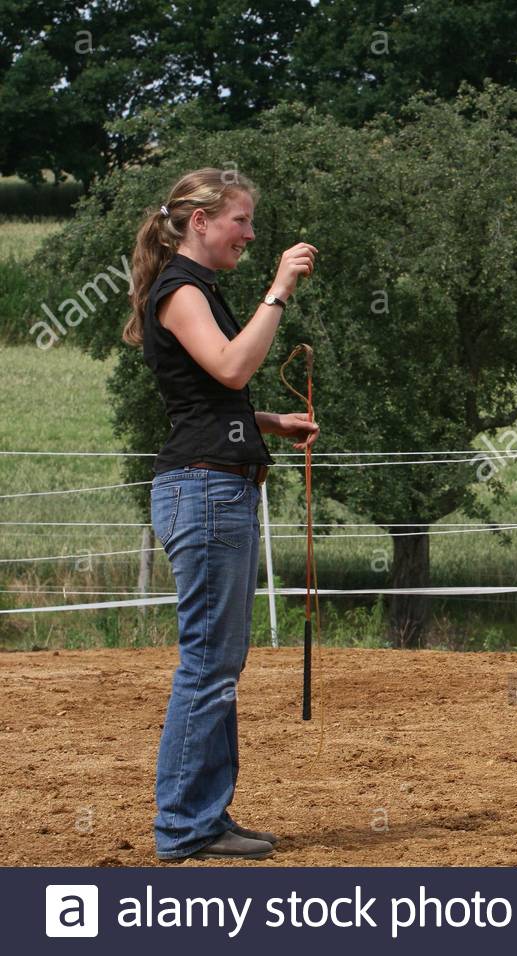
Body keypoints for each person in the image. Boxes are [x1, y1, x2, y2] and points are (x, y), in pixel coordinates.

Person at [122, 167, 319, 861]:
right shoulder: (181, 291)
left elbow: (214, 397)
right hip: (204, 493)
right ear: (199, 221)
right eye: (240, 220)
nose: (251, 232)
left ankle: (204, 817)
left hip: (215, 483)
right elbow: (233, 368)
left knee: (219, 662)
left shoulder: (194, 289)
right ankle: (182, 827)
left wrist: (267, 422)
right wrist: (279, 289)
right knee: (208, 664)